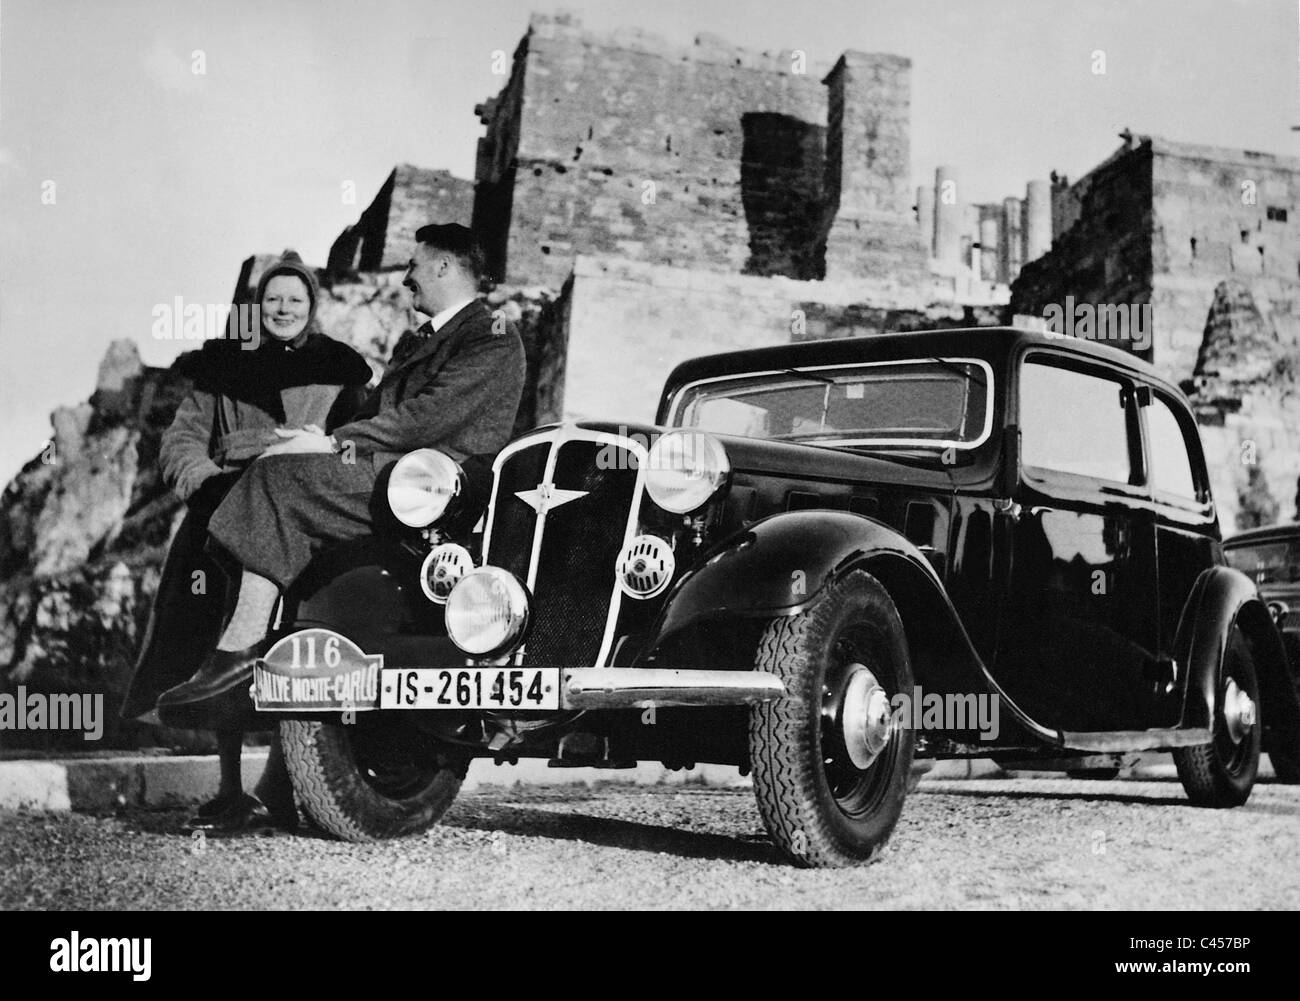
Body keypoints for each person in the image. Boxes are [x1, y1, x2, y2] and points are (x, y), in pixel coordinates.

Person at [155, 223, 526, 716]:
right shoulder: (421, 340)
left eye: (414, 266)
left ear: (443, 266)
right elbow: (373, 415)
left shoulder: (492, 335)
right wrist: (300, 444)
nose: (406, 278)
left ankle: (241, 649)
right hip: (391, 469)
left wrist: (329, 443)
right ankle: (278, 661)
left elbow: (426, 418)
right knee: (276, 476)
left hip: (433, 483)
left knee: (275, 482)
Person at [122, 250, 372, 834]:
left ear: (312, 307)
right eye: (273, 299)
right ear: (257, 307)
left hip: (307, 509)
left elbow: (363, 444)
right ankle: (231, 788)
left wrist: (327, 452)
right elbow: (181, 441)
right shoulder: (220, 370)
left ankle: (287, 783)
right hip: (226, 511)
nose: (284, 308)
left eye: (296, 299)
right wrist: (204, 485)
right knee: (217, 638)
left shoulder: (343, 369)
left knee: (304, 637)